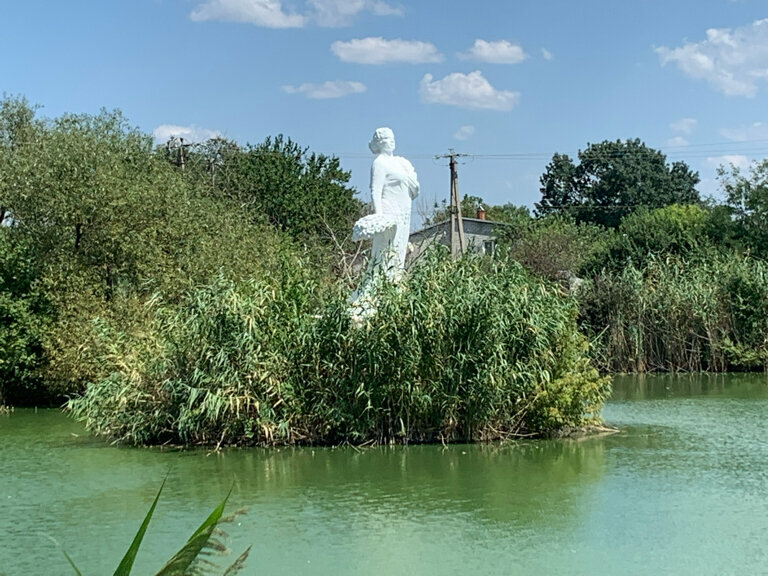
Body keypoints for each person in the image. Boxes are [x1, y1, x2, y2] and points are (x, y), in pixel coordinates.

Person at [365, 127, 419, 279]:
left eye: (393, 138)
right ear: (380, 143)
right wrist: (379, 215)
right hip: (389, 211)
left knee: (400, 248)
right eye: (387, 139)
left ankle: (395, 283)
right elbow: (375, 190)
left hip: (403, 211)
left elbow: (414, 187)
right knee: (386, 249)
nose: (391, 142)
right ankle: (382, 282)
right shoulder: (379, 163)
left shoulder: (400, 163)